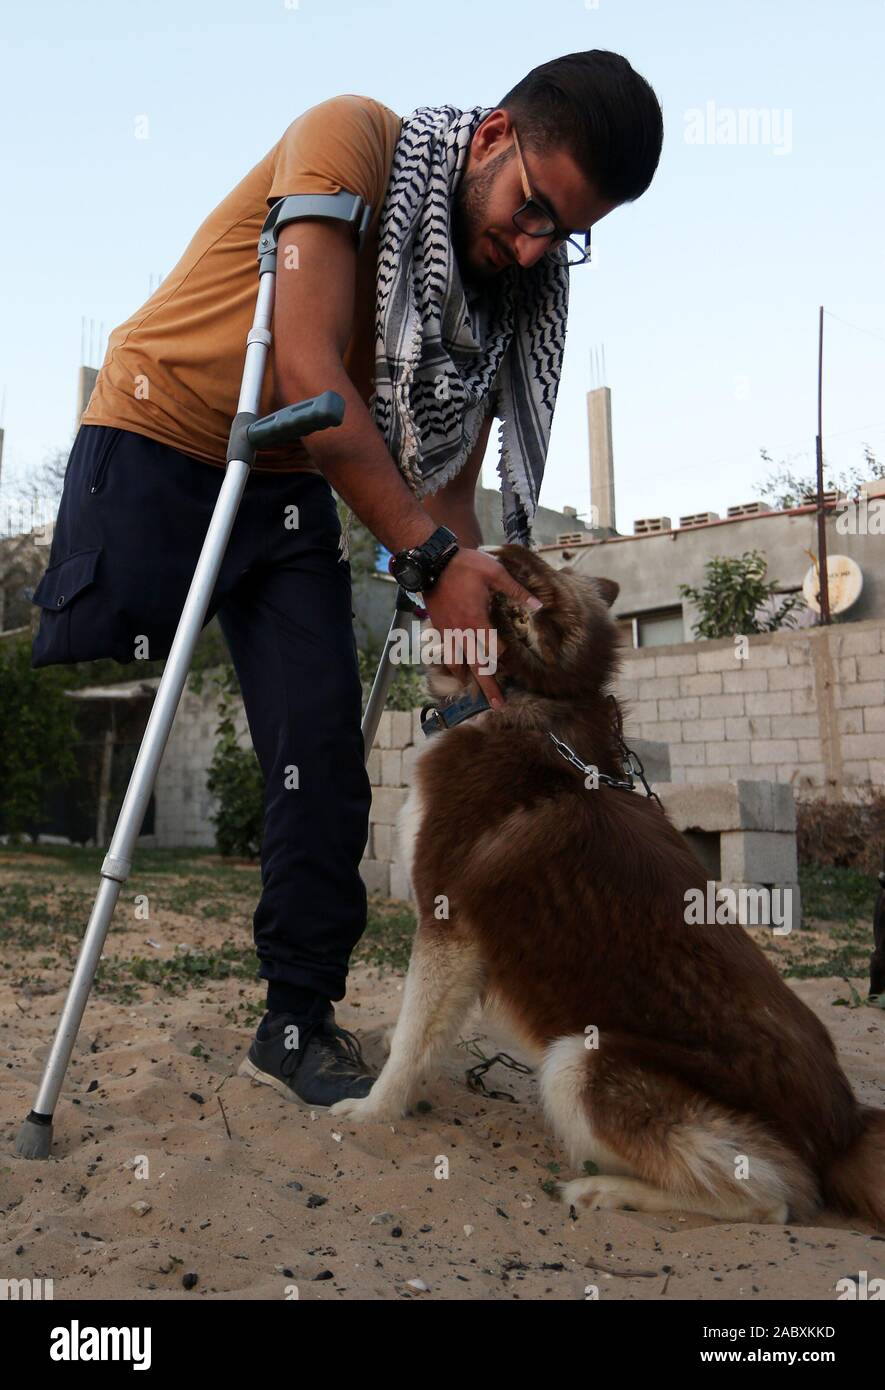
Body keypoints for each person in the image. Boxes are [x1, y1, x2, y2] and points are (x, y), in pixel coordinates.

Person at [30, 50, 663, 1107]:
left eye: (568, 234)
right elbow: (308, 372)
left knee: (318, 745)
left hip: (284, 484)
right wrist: (421, 555)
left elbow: (449, 505)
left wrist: (466, 668)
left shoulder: (501, 290)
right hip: (163, 435)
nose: (533, 244)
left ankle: (294, 1017)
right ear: (495, 136)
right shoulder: (353, 138)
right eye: (533, 208)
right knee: (79, 665)